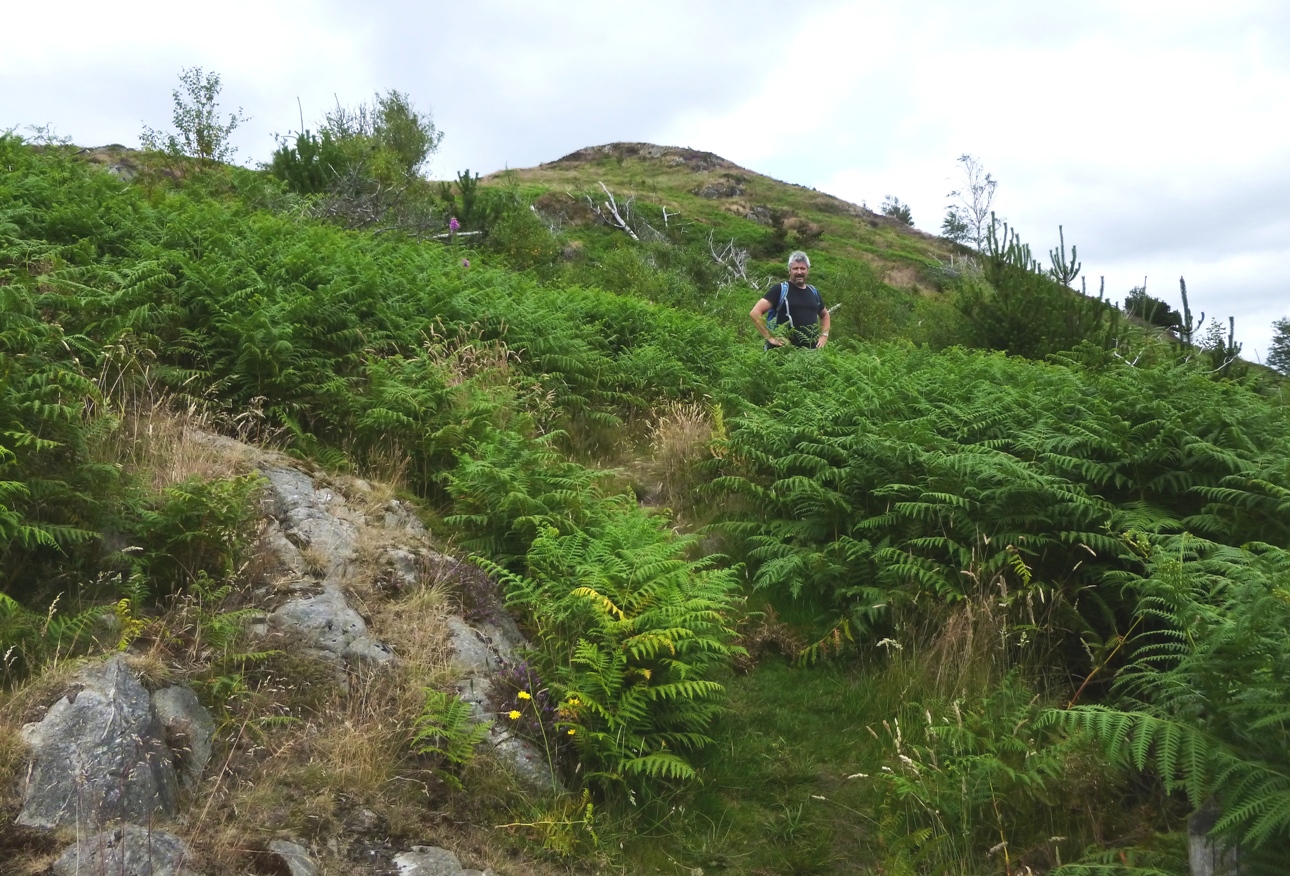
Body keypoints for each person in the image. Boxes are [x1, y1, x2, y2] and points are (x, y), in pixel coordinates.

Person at [750, 251, 830, 349]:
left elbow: (825, 315)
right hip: (781, 352)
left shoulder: (813, 292)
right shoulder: (780, 289)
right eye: (795, 268)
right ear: (789, 270)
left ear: (807, 271)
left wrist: (824, 335)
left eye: (802, 268)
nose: (799, 272)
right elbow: (755, 313)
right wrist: (770, 337)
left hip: (810, 355)